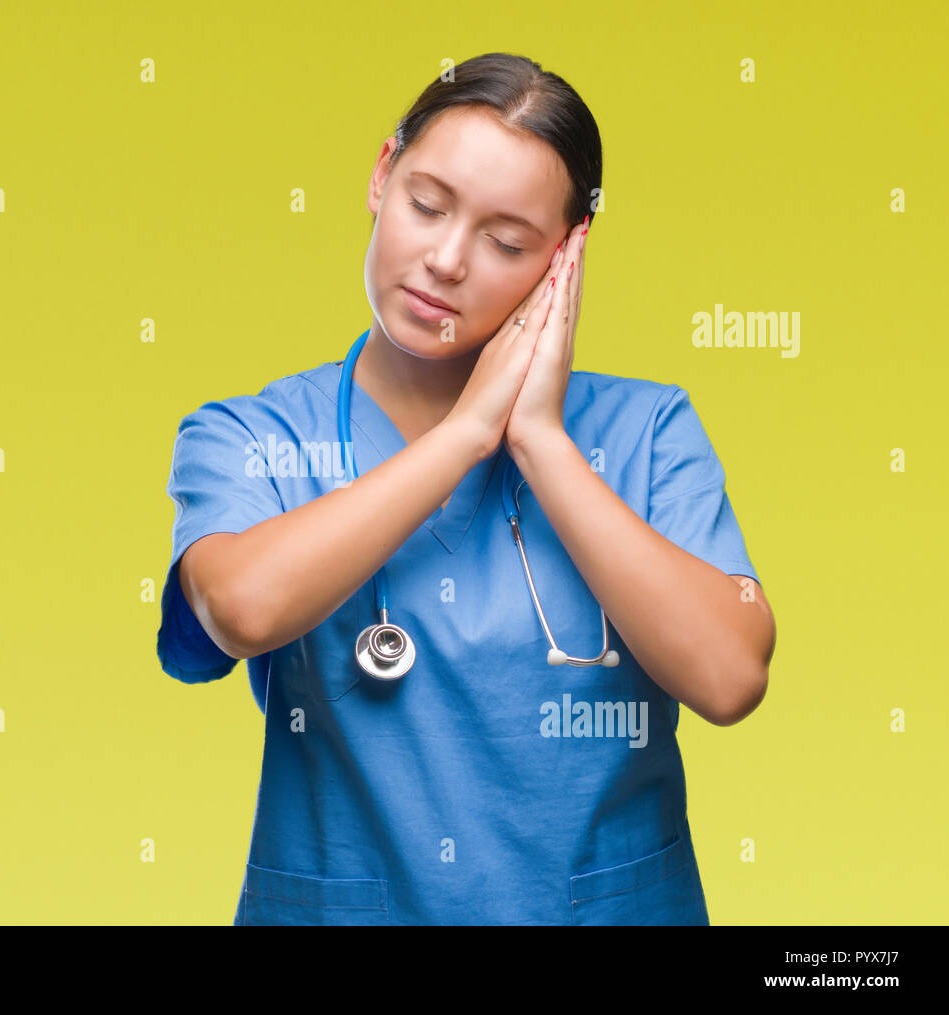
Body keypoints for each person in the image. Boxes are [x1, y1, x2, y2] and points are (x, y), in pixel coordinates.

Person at [155, 52, 776, 925]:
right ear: (381, 175)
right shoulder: (256, 435)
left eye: (507, 241)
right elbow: (239, 609)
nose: (444, 259)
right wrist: (462, 439)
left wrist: (543, 442)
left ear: (565, 257)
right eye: (426, 204)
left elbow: (728, 675)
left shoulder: (648, 432)